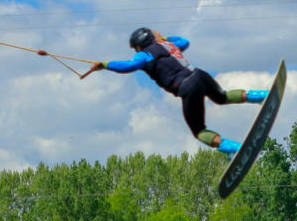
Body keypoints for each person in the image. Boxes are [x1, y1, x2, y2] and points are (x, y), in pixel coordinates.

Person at [80, 27, 268, 159]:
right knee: (223, 97)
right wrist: (163, 39)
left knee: (199, 131)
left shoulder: (144, 54)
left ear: (138, 45)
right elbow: (184, 41)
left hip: (186, 87)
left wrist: (104, 65)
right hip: (200, 75)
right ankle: (260, 95)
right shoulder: (168, 45)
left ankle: (233, 148)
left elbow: (130, 65)